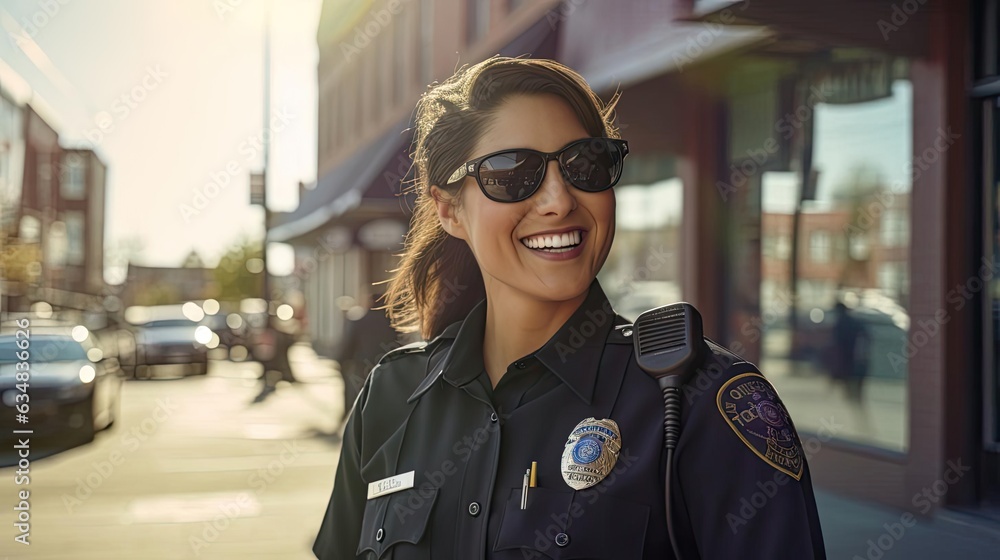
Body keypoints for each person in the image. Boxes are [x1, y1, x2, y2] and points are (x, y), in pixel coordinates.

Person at [313, 56, 826, 559]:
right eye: (512, 172)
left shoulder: (700, 404)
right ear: (449, 210)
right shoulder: (390, 398)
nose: (559, 199)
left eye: (585, 163)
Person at [336, 293, 400, 420]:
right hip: (387, 364)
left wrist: (341, 360)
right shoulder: (393, 323)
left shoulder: (360, 321)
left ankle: (356, 421)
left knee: (360, 395)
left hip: (363, 365)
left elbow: (350, 343)